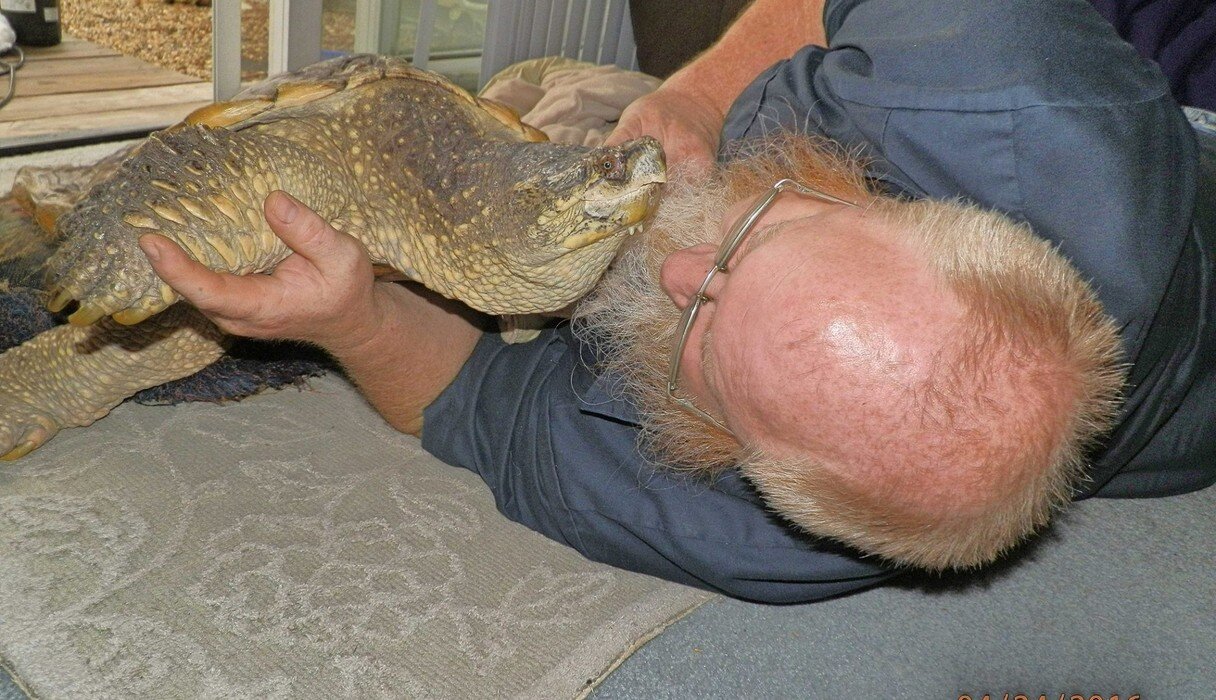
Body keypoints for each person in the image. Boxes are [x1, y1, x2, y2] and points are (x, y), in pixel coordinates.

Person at [136, 0, 1216, 603]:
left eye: (699, 338)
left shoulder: (746, 531)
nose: (672, 271)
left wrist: (351, 319)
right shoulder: (998, 65)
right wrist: (697, 95)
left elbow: (479, 407)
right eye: (759, 232)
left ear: (726, 453)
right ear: (878, 188)